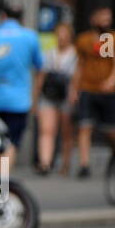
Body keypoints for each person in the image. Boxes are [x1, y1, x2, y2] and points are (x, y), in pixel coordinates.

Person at [0, 1, 42, 172]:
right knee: (11, 143)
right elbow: (40, 66)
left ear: (3, 16)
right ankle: (2, 182)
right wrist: (34, 97)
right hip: (19, 100)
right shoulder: (30, 37)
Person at [70, 6, 115, 179]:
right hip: (88, 88)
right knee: (84, 126)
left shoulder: (113, 38)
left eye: (108, 18)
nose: (105, 21)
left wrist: (111, 80)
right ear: (93, 19)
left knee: (111, 130)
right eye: (102, 18)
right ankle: (84, 165)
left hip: (108, 91)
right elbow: (79, 65)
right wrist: (74, 88)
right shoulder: (84, 39)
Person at [35, 21, 77, 175]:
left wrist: (75, 92)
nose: (61, 38)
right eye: (59, 35)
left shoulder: (76, 55)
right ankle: (45, 163)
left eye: (64, 35)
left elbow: (78, 77)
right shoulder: (48, 53)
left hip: (67, 95)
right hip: (49, 94)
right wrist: (35, 98)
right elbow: (41, 77)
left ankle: (65, 163)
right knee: (47, 130)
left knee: (66, 132)